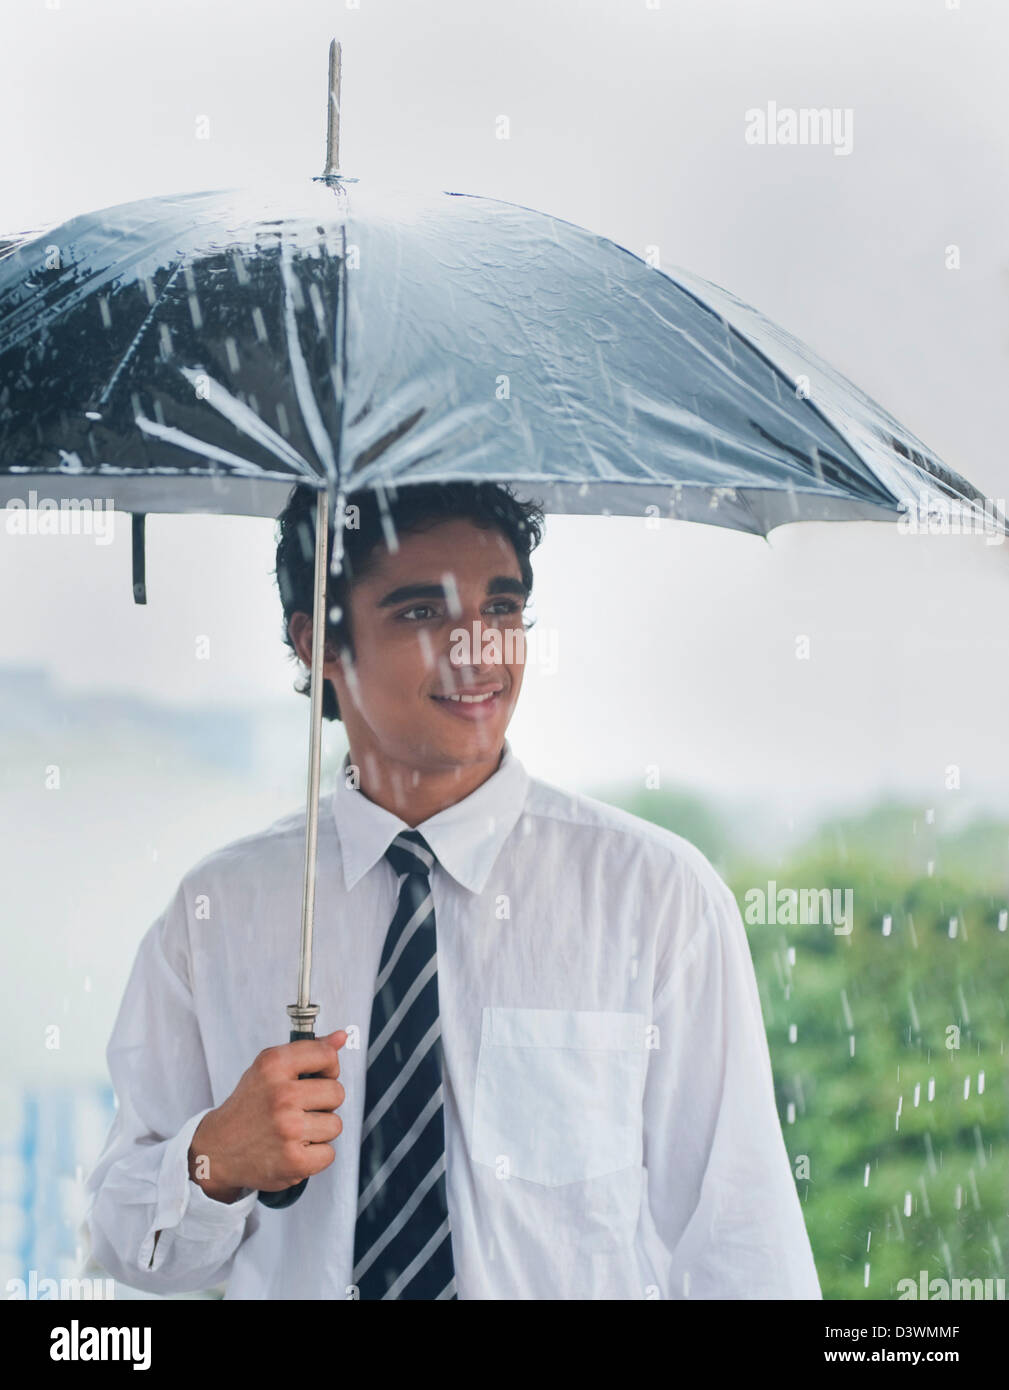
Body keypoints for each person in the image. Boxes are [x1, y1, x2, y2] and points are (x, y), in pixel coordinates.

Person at [83, 480, 822, 1300]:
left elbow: (743, 1248)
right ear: (318, 642)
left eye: (501, 609)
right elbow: (130, 1248)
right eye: (421, 614)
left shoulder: (655, 898)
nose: (479, 652)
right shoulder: (220, 911)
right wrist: (215, 1158)